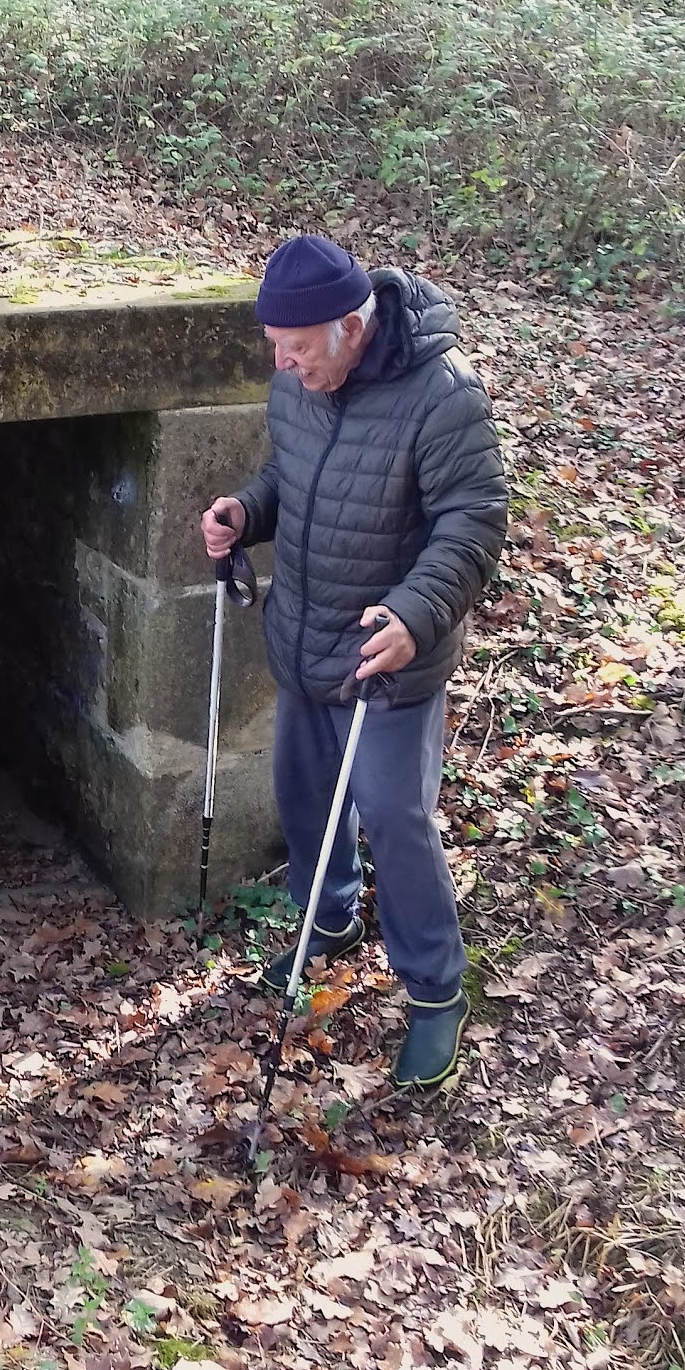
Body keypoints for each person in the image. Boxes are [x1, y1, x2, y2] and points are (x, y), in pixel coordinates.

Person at [201, 235, 507, 1089]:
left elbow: (475, 521)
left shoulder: (442, 398)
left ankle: (437, 991)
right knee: (304, 794)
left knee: (393, 816)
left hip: (388, 656)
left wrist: (416, 613)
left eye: (297, 349)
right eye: (276, 349)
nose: (285, 364)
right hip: (303, 635)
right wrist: (244, 512)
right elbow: (290, 478)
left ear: (351, 326)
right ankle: (326, 921)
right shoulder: (300, 382)